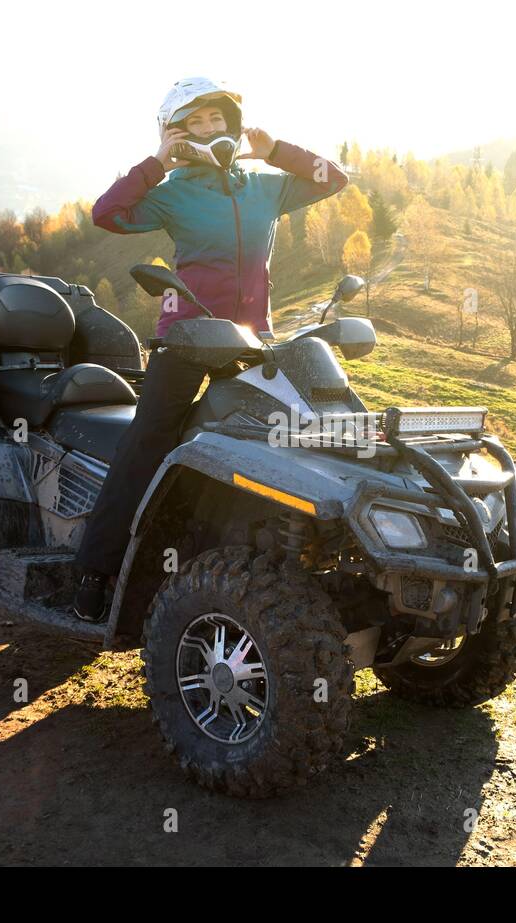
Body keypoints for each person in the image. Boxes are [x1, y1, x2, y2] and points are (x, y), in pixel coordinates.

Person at [72, 77, 348, 620]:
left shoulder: (264, 185)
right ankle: (94, 570)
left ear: (231, 123)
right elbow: (107, 213)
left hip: (252, 340)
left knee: (276, 442)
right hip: (189, 337)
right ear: (176, 134)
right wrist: (156, 162)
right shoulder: (173, 191)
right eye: (193, 123)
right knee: (148, 440)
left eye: (215, 119)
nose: (208, 129)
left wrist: (276, 151)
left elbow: (332, 179)